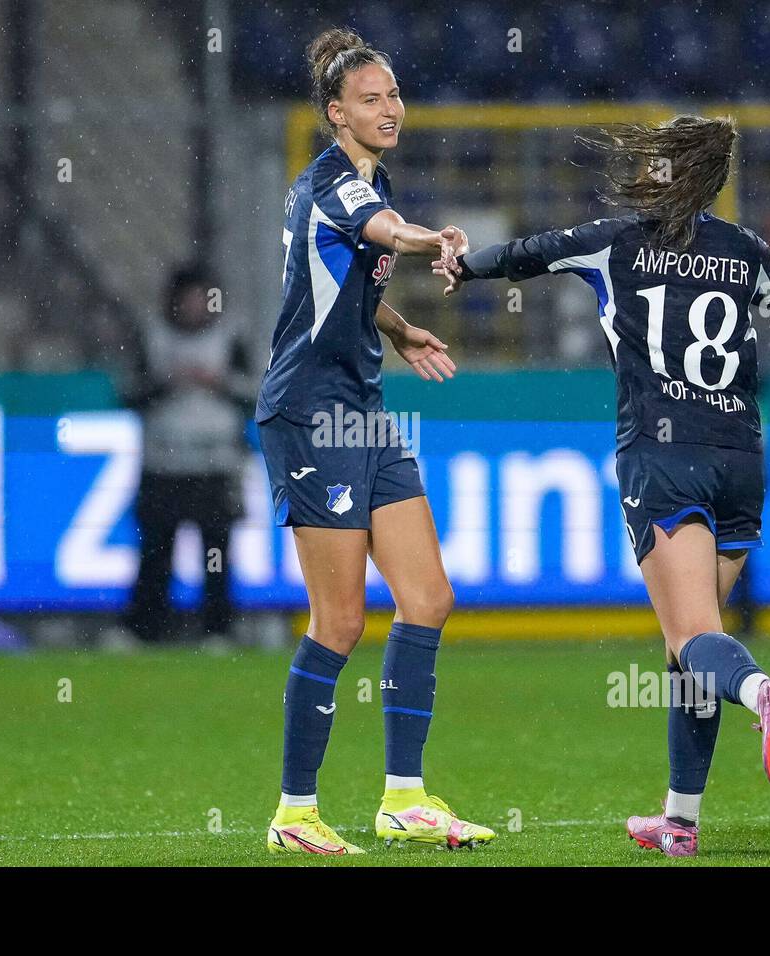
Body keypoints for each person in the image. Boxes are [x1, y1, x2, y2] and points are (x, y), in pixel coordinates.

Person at [436, 115, 770, 858]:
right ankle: (680, 817)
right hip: (740, 454)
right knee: (689, 647)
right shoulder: (750, 252)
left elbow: (529, 256)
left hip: (663, 455)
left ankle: (764, 692)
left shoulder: (617, 240)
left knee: (695, 637)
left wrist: (463, 266)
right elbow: (766, 298)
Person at [257, 27, 495, 854]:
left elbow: (336, 278)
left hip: (363, 411)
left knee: (428, 597)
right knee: (340, 621)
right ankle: (295, 811)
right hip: (308, 414)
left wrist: (394, 327)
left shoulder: (367, 179)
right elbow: (387, 233)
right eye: (370, 99)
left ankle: (404, 798)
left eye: (393, 95)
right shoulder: (335, 184)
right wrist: (438, 241)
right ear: (335, 113)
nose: (390, 108)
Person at [122, 265, 254, 644]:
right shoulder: (151, 338)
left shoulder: (231, 339)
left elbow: (257, 394)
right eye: (186, 299)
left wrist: (220, 383)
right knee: (155, 551)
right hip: (164, 463)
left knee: (216, 552)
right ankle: (145, 629)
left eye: (201, 298)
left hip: (216, 464)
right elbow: (127, 393)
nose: (194, 307)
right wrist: (165, 385)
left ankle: (217, 629)